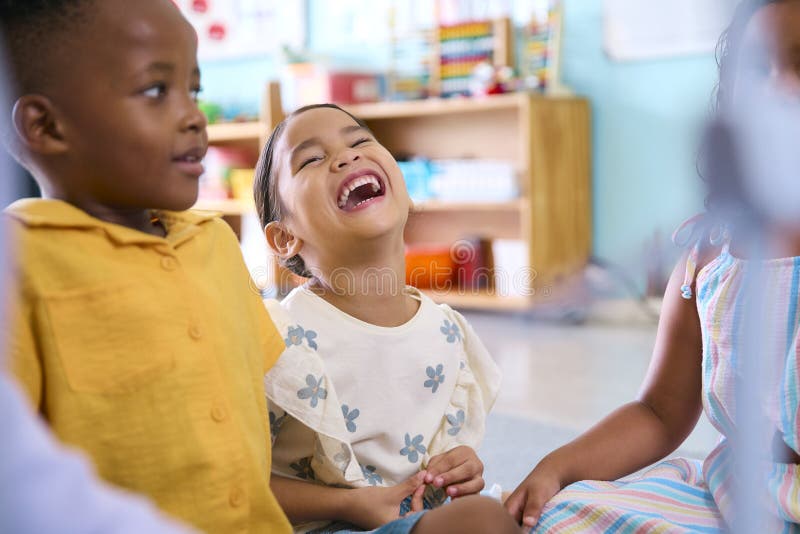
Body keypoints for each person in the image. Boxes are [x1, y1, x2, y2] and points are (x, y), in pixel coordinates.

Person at [505, 0, 800, 531]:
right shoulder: (710, 255)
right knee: (565, 516)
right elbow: (660, 413)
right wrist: (559, 468)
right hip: (733, 493)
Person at [0, 1, 291, 531]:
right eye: (157, 90)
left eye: (194, 89)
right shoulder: (19, 264)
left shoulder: (214, 243)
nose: (193, 115)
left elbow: (262, 413)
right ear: (45, 125)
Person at [254, 103, 517, 533]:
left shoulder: (448, 332)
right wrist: (352, 505)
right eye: (312, 159)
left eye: (359, 141)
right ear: (284, 238)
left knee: (507, 513)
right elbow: (238, 481)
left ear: (407, 191)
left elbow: (433, 473)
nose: (347, 156)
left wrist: (458, 469)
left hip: (411, 522)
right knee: (486, 524)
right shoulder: (280, 338)